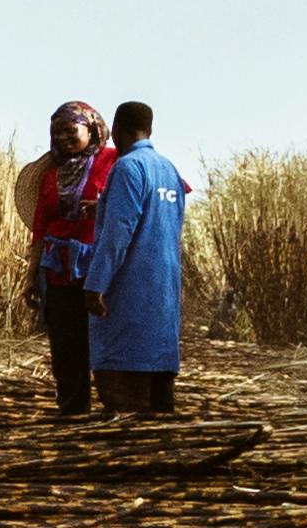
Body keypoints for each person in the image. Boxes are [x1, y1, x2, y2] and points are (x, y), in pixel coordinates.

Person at [78, 96, 196, 417]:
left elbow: (119, 232)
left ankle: (129, 438)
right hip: (164, 286)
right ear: (149, 129)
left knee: (121, 357)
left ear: (117, 130)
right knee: (157, 363)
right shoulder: (169, 170)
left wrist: (96, 284)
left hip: (131, 284)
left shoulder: (128, 167)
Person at [15, 98, 113, 419]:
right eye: (56, 133)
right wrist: (31, 277)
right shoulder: (50, 176)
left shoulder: (113, 163)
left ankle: (114, 407)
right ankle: (72, 409)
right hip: (56, 271)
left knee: (101, 339)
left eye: (70, 131)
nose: (62, 139)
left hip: (98, 269)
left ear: (92, 129)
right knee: (64, 342)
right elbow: (40, 230)